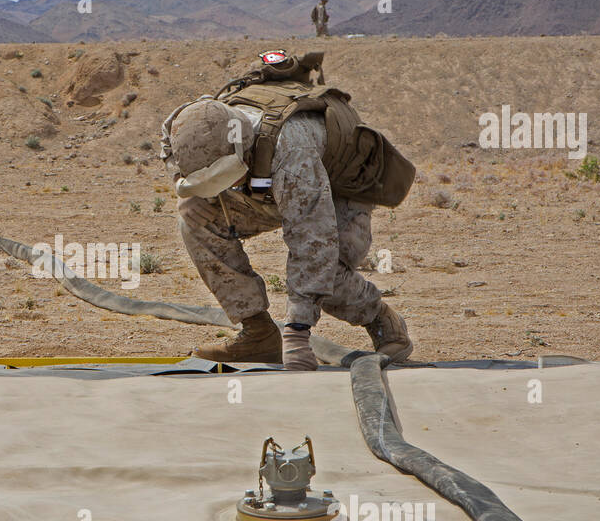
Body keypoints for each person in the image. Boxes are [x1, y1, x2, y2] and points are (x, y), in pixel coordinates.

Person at [160, 51, 414, 370]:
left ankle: (381, 321)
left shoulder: (291, 152)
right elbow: (168, 139)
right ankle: (258, 334)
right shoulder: (194, 118)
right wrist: (189, 190)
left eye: (224, 178)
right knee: (197, 221)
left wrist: (297, 335)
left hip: (340, 187)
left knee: (328, 273)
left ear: (242, 151)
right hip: (269, 182)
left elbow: (312, 244)